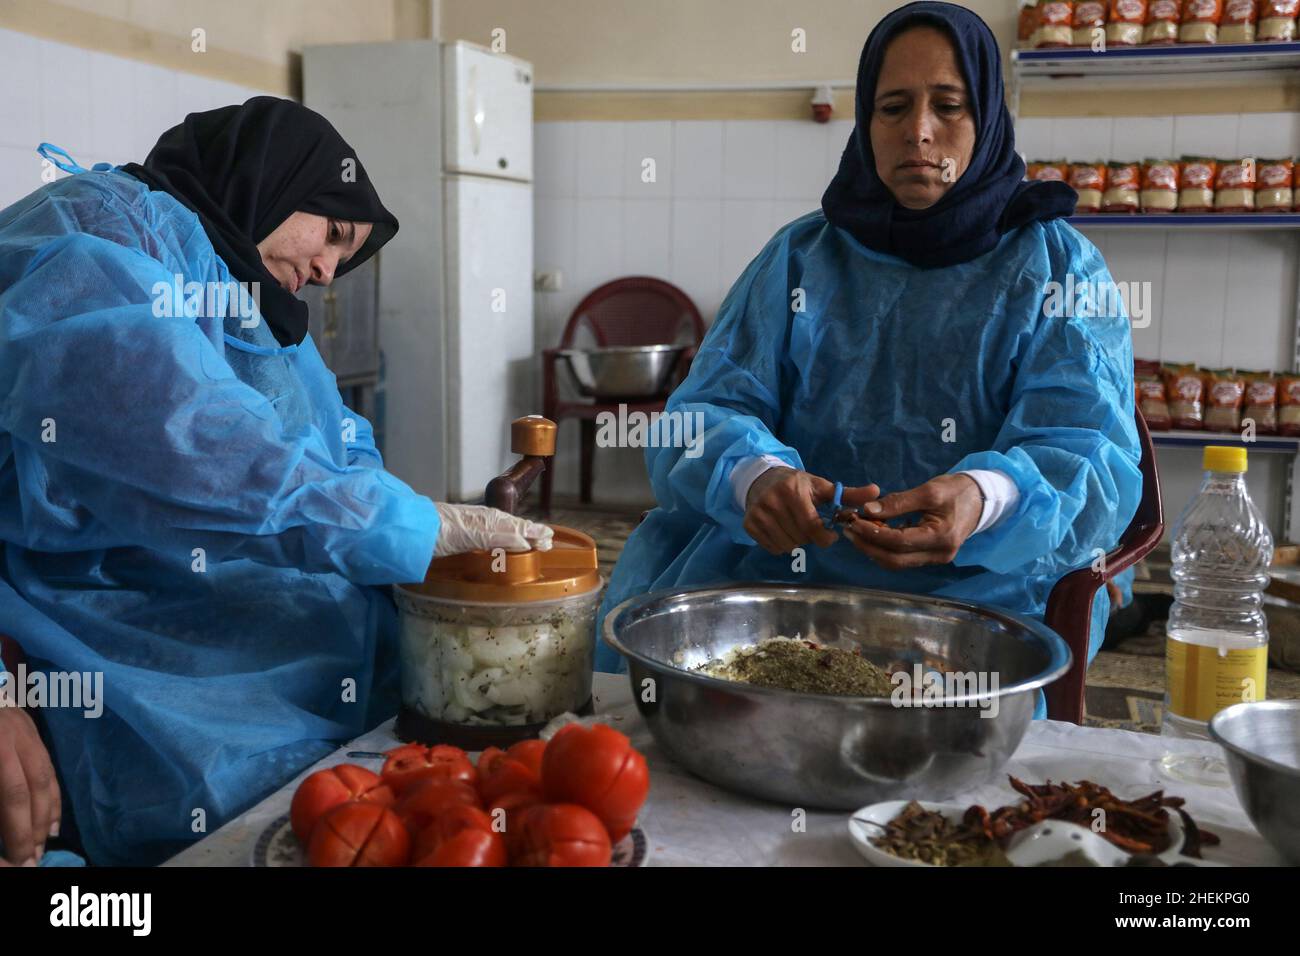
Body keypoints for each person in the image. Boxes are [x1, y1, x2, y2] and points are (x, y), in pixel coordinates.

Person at [0, 97, 550, 866]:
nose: (328, 271)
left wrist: (406, 522)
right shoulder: (98, 233)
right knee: (249, 797)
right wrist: (398, 528)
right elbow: (190, 440)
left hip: (222, 597)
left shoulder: (248, 299)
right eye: (332, 234)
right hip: (118, 620)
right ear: (270, 175)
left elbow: (332, 444)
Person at [596, 3, 1143, 700]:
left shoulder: (1060, 267)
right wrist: (754, 479)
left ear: (989, 118)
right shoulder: (800, 258)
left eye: (949, 105)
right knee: (701, 725)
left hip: (982, 591)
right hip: (781, 576)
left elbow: (1087, 450)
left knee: (948, 765)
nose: (919, 132)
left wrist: (984, 499)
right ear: (864, 120)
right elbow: (701, 414)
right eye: (892, 108)